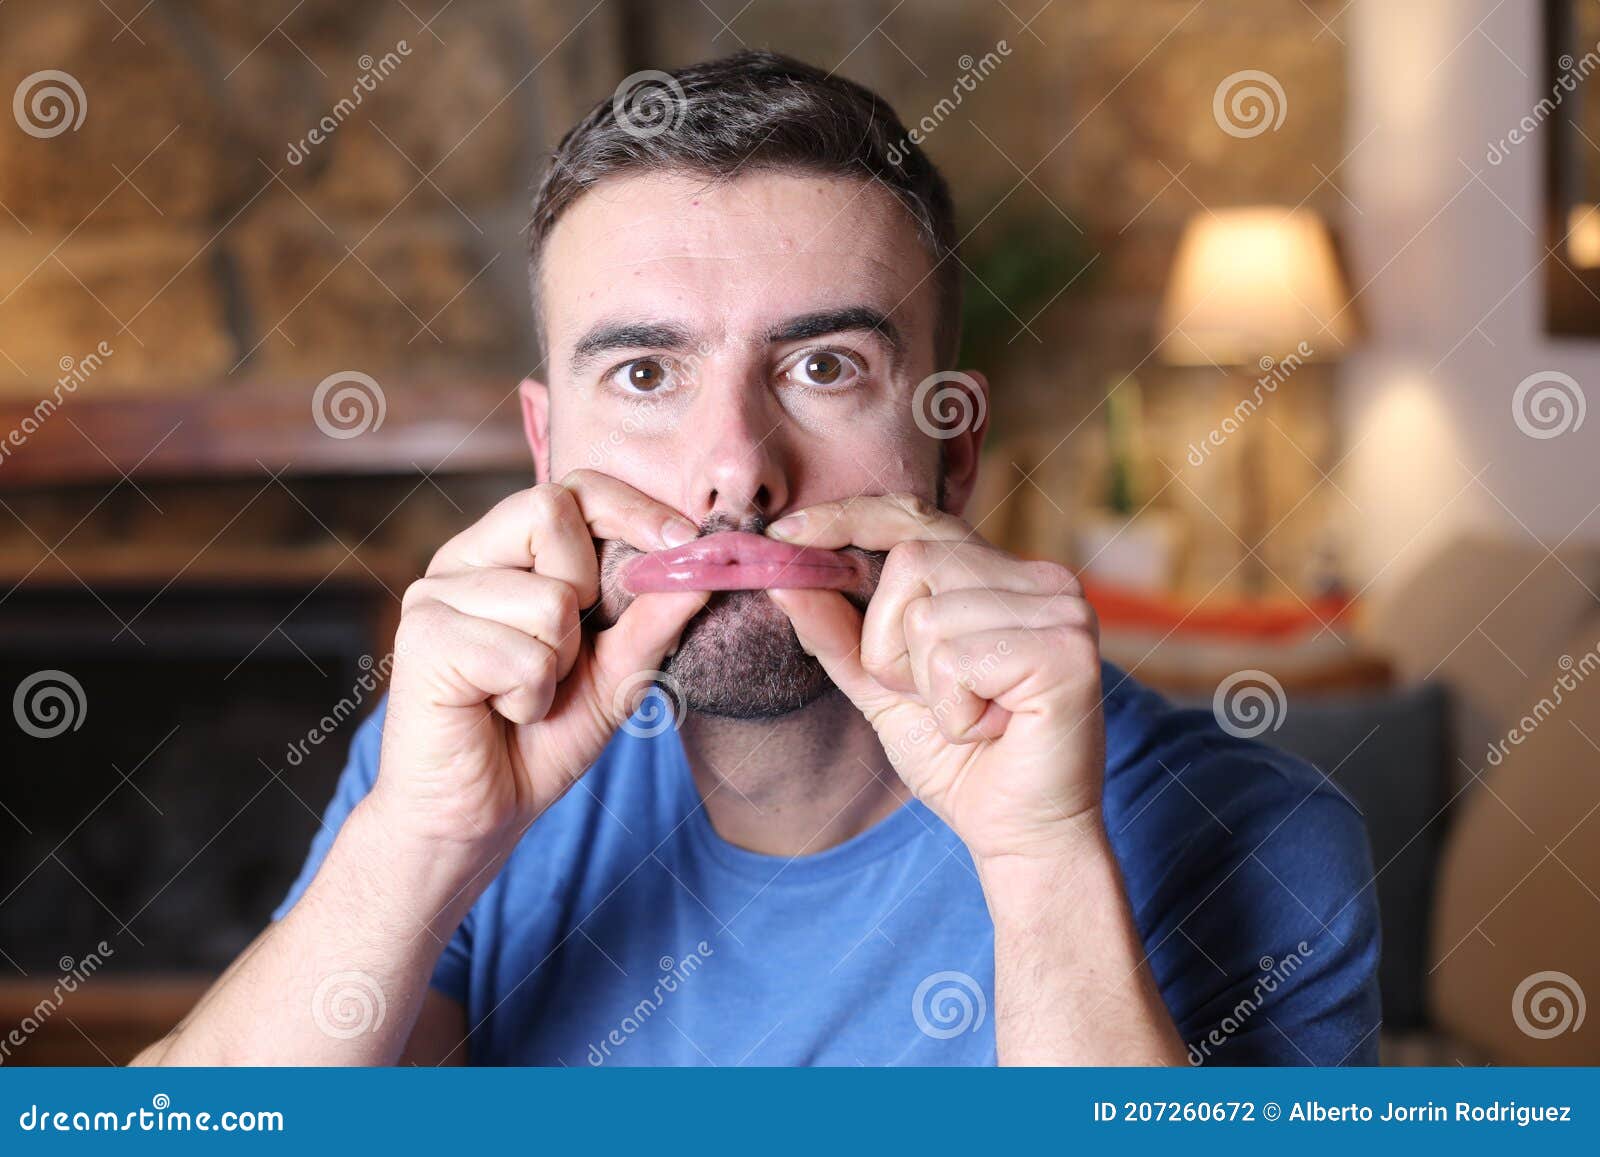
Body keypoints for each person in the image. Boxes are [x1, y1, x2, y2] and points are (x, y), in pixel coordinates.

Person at [134, 50, 1379, 1067]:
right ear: (546, 447)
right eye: (644, 374)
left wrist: (1043, 860)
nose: (735, 468)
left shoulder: (1258, 838)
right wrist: (416, 839)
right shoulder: (449, 771)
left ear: (953, 450)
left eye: (824, 366)